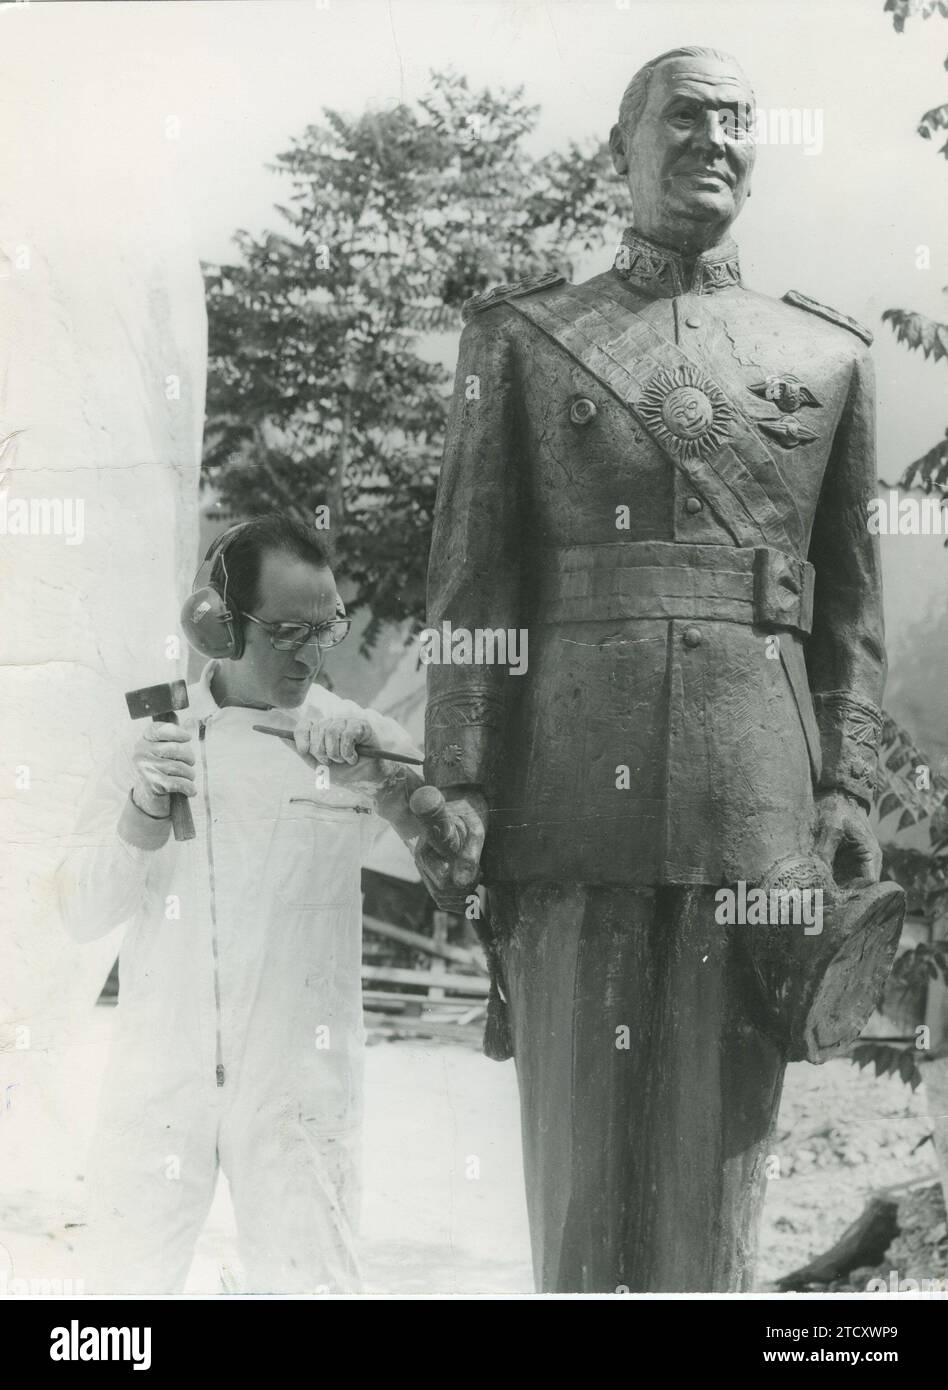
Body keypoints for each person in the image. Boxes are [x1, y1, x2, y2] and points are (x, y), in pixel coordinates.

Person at [418, 46, 901, 1292]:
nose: (717, 141)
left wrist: (843, 789)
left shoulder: (829, 357)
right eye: (685, 117)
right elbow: (475, 581)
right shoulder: (523, 343)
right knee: (579, 1192)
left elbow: (847, 606)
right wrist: (458, 781)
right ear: (618, 149)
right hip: (564, 792)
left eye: (740, 122)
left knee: (714, 1191)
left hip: (757, 805)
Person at [56, 514, 425, 1294]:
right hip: (160, 1078)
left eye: (326, 629)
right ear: (219, 626)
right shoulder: (154, 738)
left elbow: (458, 861)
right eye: (287, 631)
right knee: (116, 1303)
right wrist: (143, 805)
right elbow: (80, 911)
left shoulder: (353, 740)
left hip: (298, 1087)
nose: (311, 654)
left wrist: (387, 785)